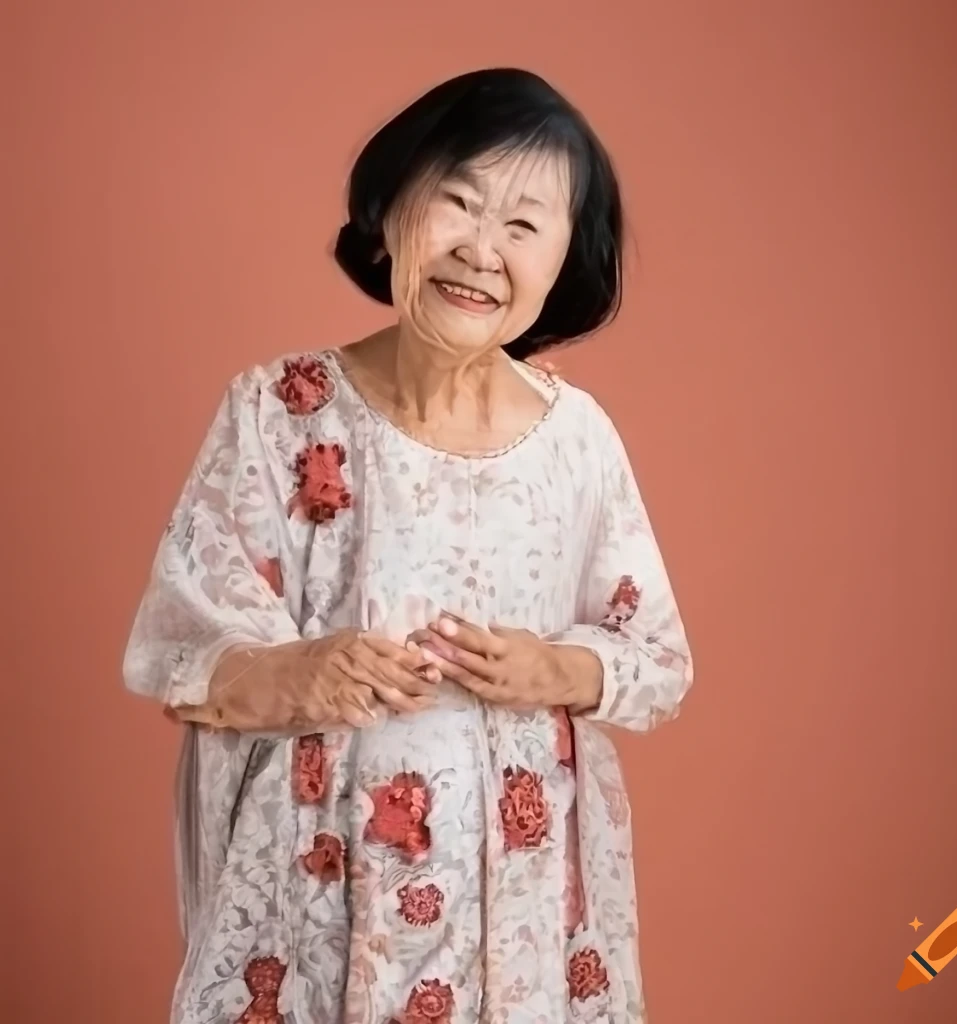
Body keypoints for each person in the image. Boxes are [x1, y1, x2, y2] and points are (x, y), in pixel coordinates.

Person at [124, 66, 694, 1024]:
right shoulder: (279, 410)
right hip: (321, 910)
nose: (482, 249)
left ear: (563, 261)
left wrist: (555, 667)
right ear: (392, 209)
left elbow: (659, 664)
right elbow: (177, 650)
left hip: (520, 925)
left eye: (524, 225)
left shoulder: (577, 439)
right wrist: (305, 670)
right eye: (460, 203)